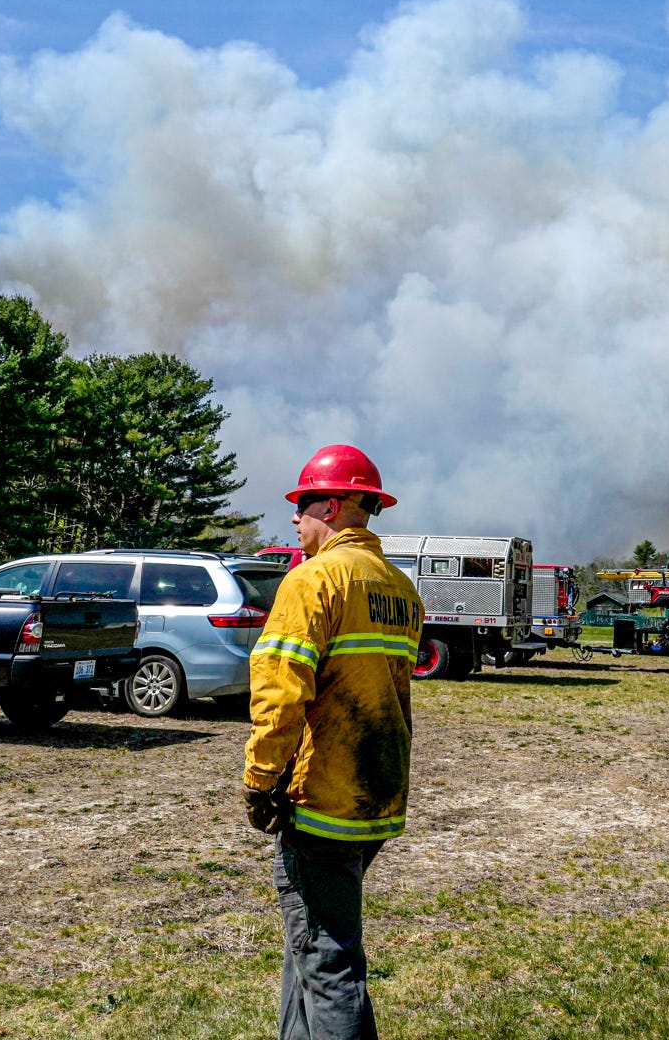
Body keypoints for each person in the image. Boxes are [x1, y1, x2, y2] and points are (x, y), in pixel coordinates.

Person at [244, 444, 424, 1040]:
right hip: (378, 794)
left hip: (325, 797)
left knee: (328, 958)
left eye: (302, 506)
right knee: (312, 945)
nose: (295, 519)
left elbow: (280, 695)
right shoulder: (399, 587)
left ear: (335, 503)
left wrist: (260, 780)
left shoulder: (311, 581)